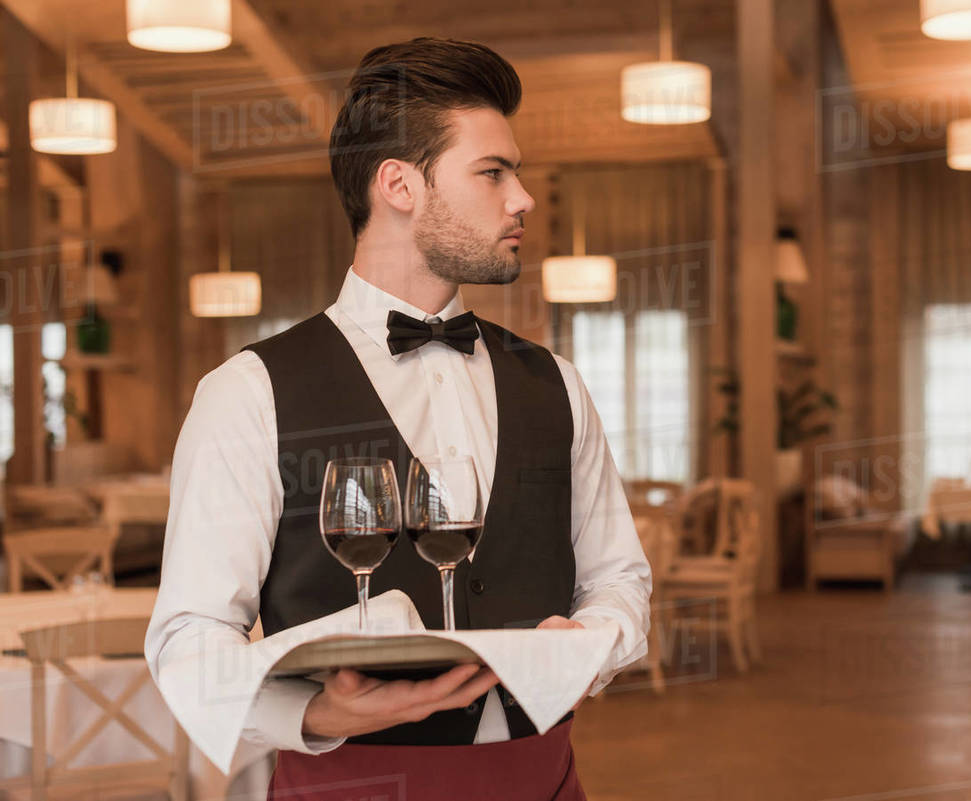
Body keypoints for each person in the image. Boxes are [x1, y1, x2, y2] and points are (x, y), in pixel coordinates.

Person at [145, 37, 652, 801]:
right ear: (398, 184)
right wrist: (316, 710)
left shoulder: (556, 383)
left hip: (547, 778)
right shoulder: (248, 393)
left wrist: (593, 641)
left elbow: (619, 577)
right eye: (493, 172)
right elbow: (187, 638)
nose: (523, 198)